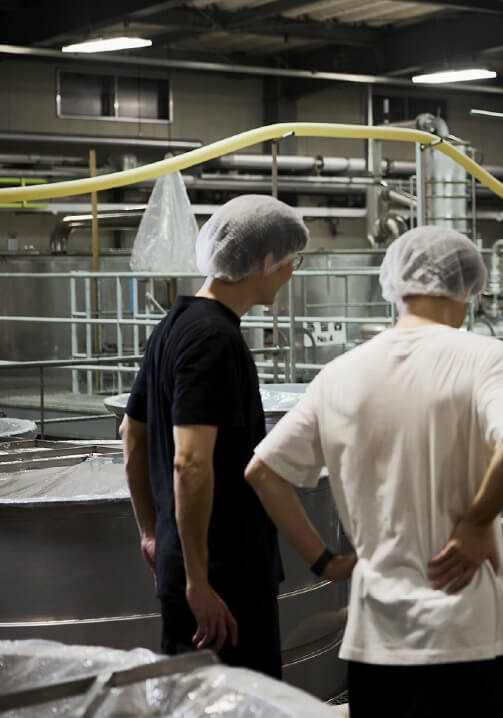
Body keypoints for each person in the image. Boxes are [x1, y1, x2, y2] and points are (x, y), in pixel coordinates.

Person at [245, 225, 503, 718]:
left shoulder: (340, 372)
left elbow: (262, 472)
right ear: (467, 288)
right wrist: (474, 523)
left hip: (378, 638)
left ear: (395, 287)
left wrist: (324, 562)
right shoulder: (484, 357)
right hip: (467, 630)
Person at [120, 194, 314, 677]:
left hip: (187, 565)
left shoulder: (174, 324)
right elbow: (190, 463)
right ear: (265, 261)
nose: (292, 272)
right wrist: (198, 581)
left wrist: (151, 533)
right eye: (292, 260)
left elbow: (131, 436)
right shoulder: (215, 339)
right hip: (222, 581)